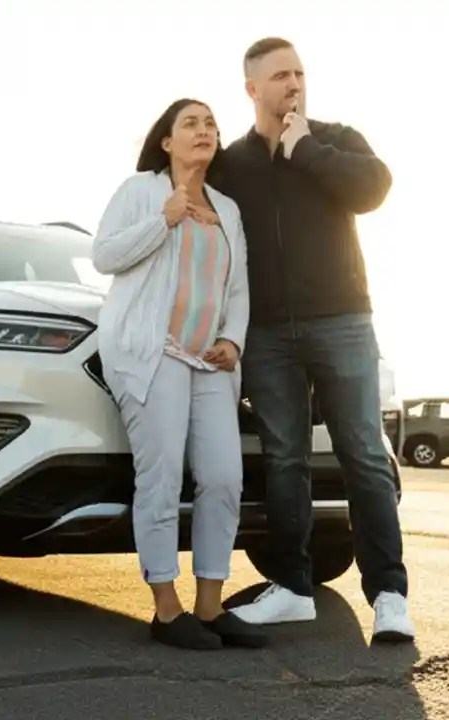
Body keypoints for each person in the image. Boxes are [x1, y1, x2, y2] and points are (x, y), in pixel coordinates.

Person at [209, 37, 415, 643]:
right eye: (279, 75)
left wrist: (306, 150)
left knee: (363, 456)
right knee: (285, 460)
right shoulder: (234, 163)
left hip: (343, 320)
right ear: (253, 88)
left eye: (299, 72)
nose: (293, 83)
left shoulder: (335, 139)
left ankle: (390, 595)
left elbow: (373, 188)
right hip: (267, 332)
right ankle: (294, 589)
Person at [92, 98, 265, 651]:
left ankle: (210, 606)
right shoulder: (140, 191)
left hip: (208, 360)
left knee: (223, 478)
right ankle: (167, 610)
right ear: (166, 141)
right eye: (191, 123)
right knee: (162, 477)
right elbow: (104, 256)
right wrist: (163, 219)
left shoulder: (228, 210)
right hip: (151, 352)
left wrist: (232, 339)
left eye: (212, 123)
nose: (205, 130)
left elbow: (236, 288)